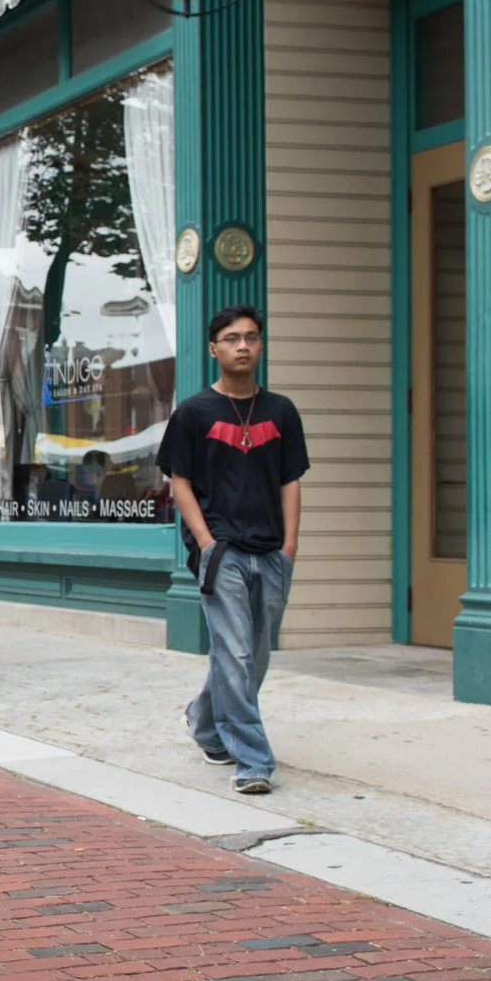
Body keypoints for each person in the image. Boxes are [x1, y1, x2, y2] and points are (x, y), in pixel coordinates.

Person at [163, 306, 308, 797]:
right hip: (221, 552)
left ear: (261, 345)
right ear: (214, 349)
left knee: (252, 657)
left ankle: (204, 722)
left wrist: (289, 546)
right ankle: (253, 760)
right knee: (236, 653)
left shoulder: (281, 411)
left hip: (271, 552)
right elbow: (179, 483)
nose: (242, 346)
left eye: (250, 337)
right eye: (231, 338)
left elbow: (290, 481)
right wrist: (206, 543)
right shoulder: (194, 413)